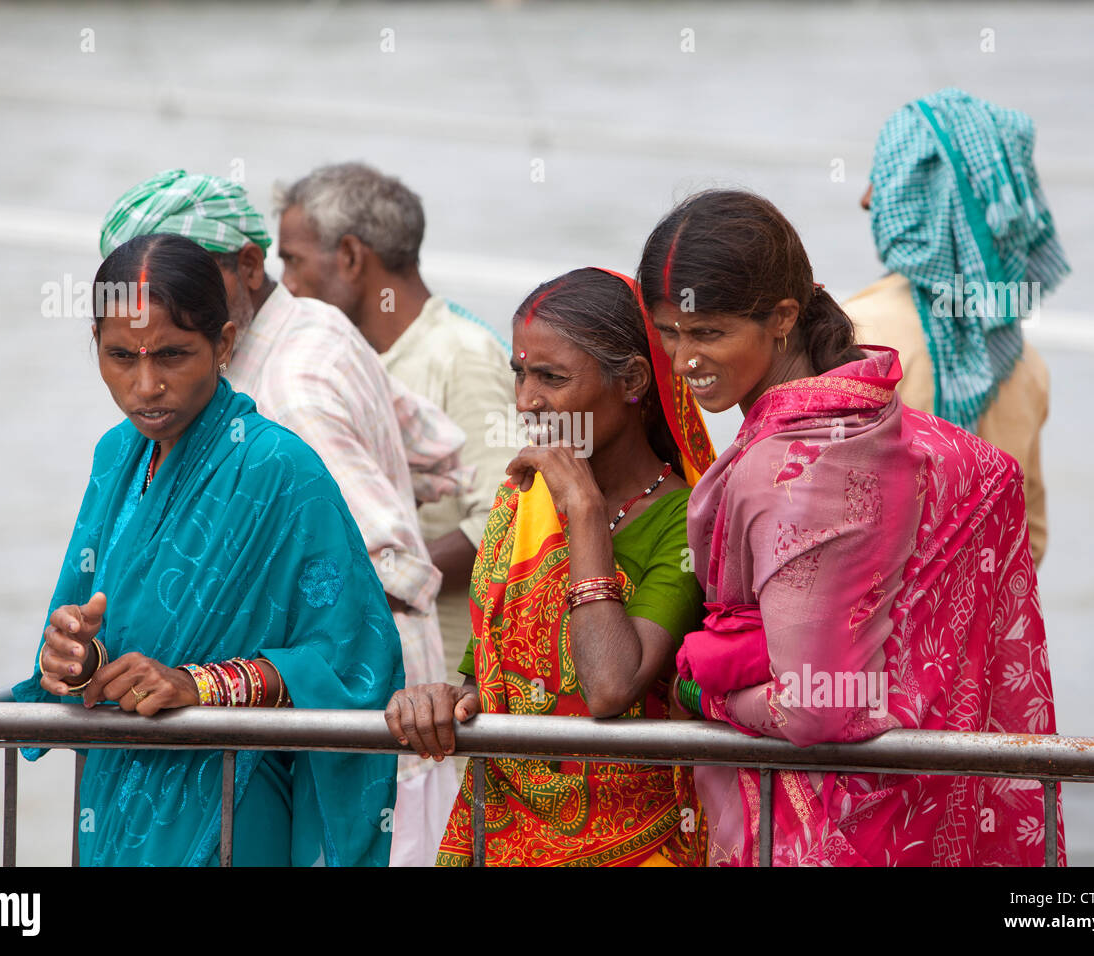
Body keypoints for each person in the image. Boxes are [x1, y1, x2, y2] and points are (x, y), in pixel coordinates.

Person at [639, 189, 1065, 866]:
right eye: (669, 332)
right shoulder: (908, 433)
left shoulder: (797, 469)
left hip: (826, 829)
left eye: (709, 332)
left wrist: (699, 688)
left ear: (782, 317)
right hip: (925, 809)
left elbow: (815, 708)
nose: (684, 357)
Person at [98, 170, 464, 866]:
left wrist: (212, 661)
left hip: (363, 730)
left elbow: (389, 564)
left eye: (179, 277)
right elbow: (433, 451)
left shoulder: (284, 399)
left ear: (244, 268)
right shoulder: (314, 321)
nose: (154, 297)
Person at [11, 233, 403, 866]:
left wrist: (203, 686)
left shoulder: (280, 467)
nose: (146, 385)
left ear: (223, 344)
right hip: (116, 798)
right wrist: (79, 660)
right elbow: (98, 628)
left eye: (172, 355)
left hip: (234, 798)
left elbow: (356, 659)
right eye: (119, 356)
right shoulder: (116, 457)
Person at [385, 267, 716, 867]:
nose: (525, 401)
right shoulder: (521, 504)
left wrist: (585, 513)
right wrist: (440, 702)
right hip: (499, 840)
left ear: (634, 380)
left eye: (551, 378)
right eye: (519, 374)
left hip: (639, 847)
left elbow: (611, 686)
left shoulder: (687, 519)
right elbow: (487, 686)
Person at [275, 162, 515, 678]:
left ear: (350, 256)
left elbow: (507, 523)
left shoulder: (460, 354)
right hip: (383, 677)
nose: (286, 286)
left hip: (453, 684)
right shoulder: (352, 360)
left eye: (292, 261)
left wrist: (367, 581)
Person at [845, 88, 1070, 566]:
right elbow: (1028, 541)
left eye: (882, 178)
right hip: (974, 637)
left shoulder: (847, 337)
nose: (866, 197)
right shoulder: (1025, 366)